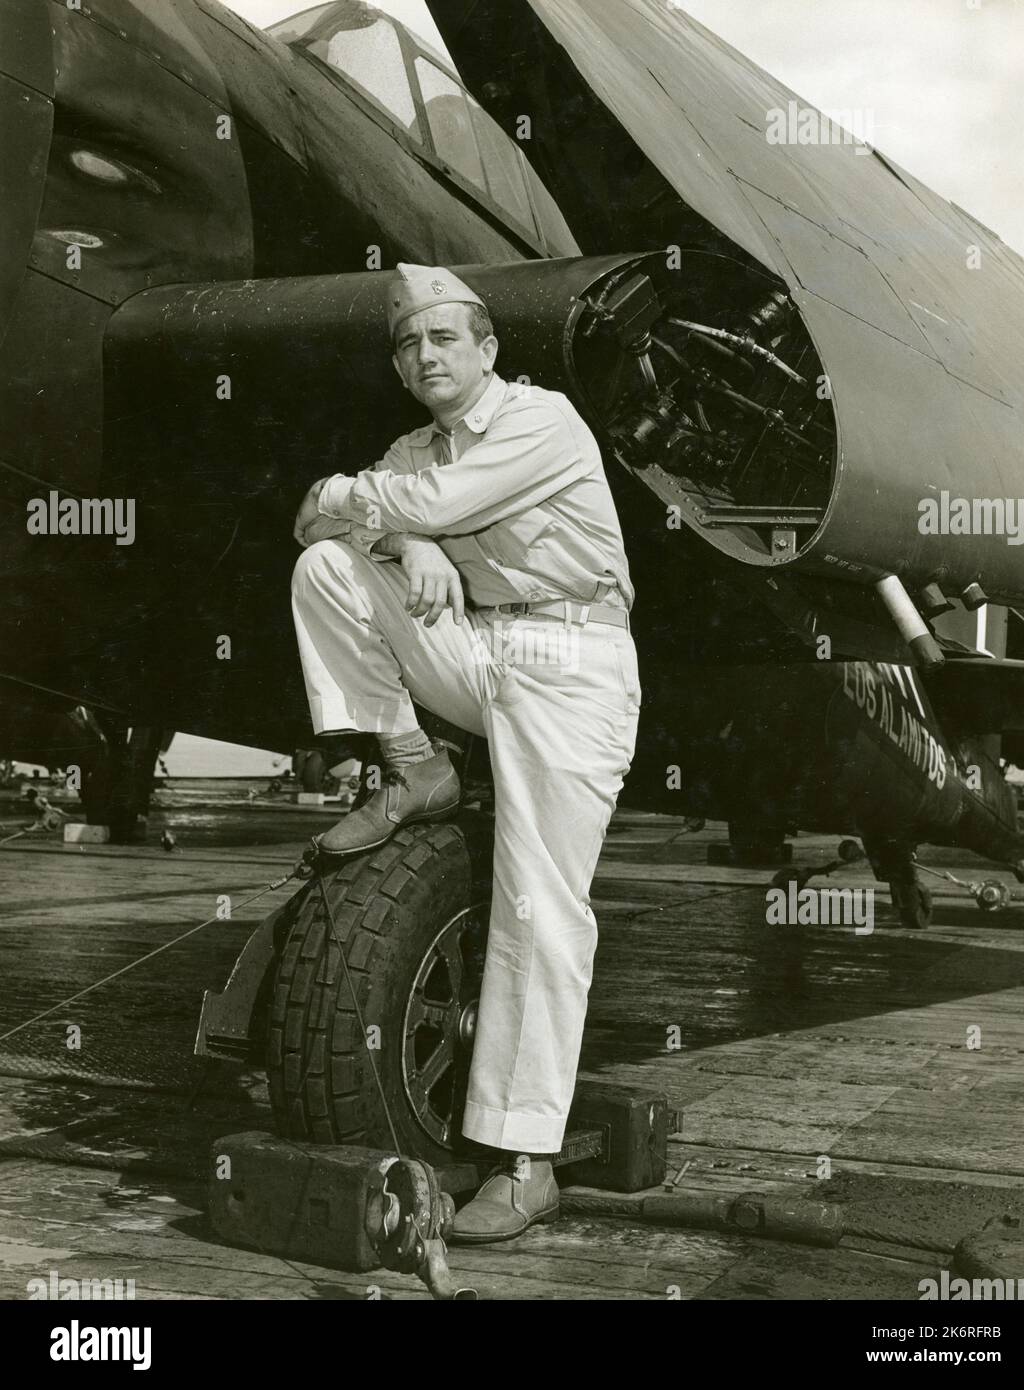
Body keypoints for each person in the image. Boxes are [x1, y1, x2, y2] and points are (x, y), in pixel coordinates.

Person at [291, 263, 641, 1243]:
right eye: (407, 344)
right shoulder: (414, 448)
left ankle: (526, 1161)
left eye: (444, 337)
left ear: (487, 348)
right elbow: (311, 518)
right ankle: (416, 764)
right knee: (327, 570)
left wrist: (405, 520)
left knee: (539, 904)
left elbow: (406, 499)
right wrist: (415, 542)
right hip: (483, 649)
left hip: (572, 662)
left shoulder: (542, 420)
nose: (423, 355)